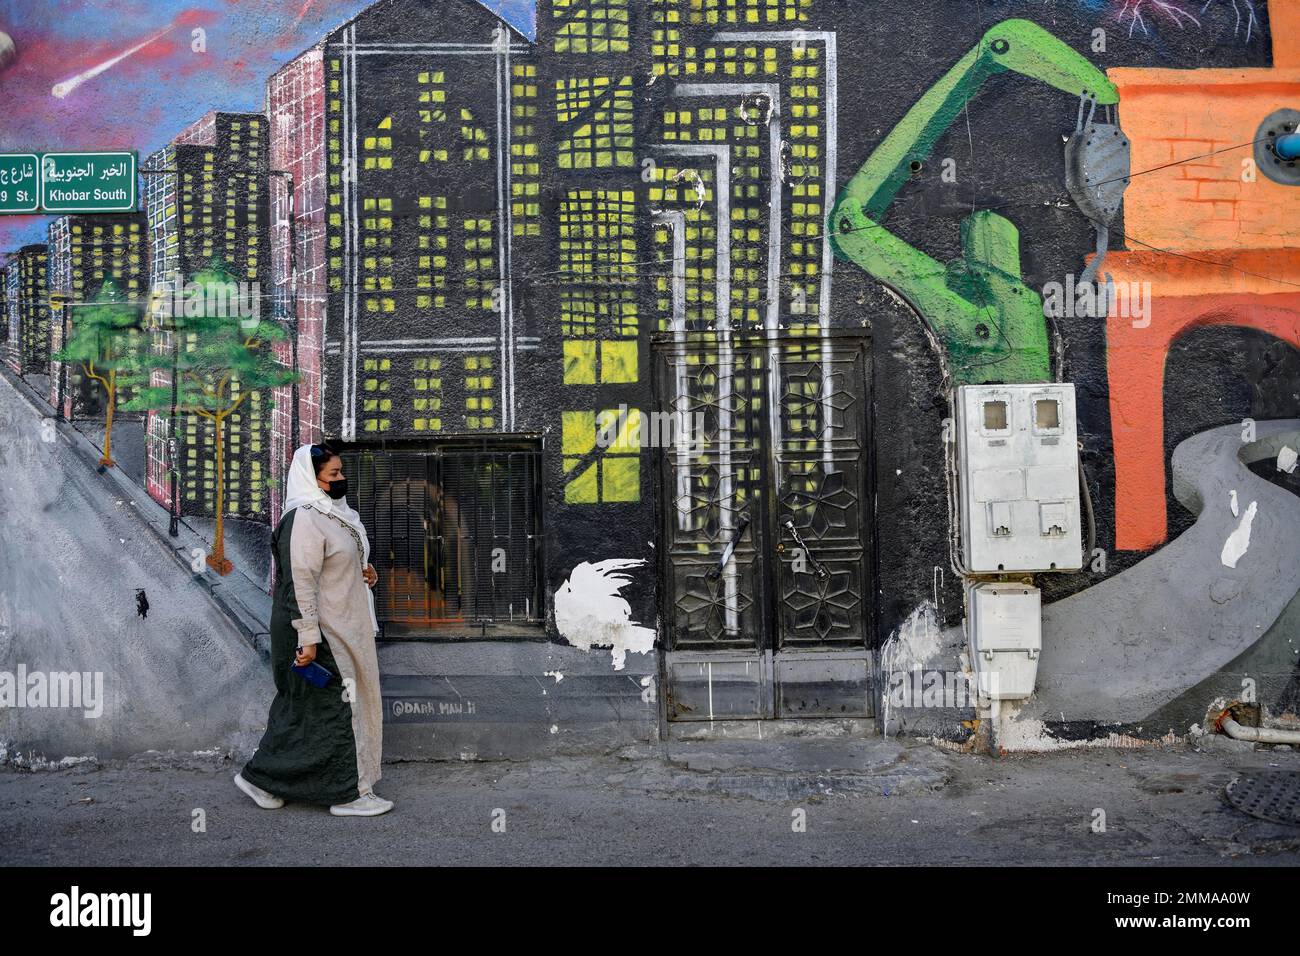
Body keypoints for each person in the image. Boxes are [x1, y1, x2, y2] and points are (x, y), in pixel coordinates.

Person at [234, 442, 392, 816]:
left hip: (340, 626)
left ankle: (262, 777)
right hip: (317, 631)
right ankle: (347, 794)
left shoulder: (333, 515)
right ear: (312, 477)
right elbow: (298, 582)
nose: (342, 479)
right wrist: (307, 638)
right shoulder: (304, 517)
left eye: (341, 472)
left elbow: (340, 562)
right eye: (333, 474)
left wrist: (366, 572)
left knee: (305, 710)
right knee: (337, 707)